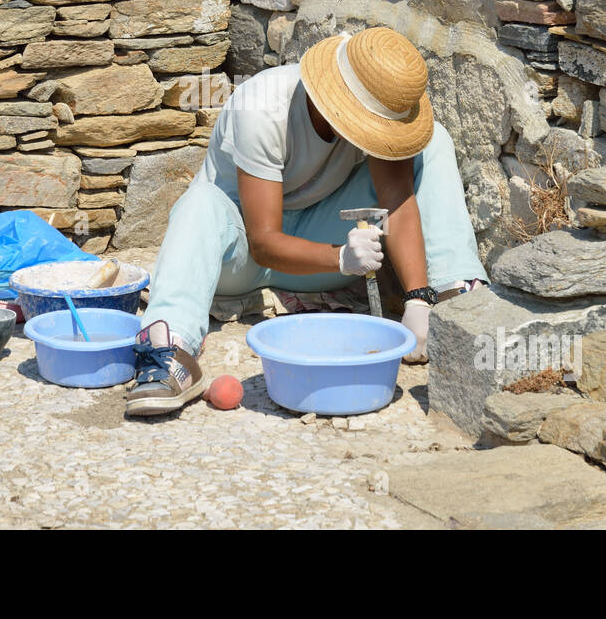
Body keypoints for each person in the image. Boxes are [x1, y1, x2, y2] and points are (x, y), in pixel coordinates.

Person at [124, 26, 487, 417]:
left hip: (317, 252)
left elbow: (396, 200)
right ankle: (170, 350)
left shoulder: (376, 104)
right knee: (199, 204)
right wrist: (341, 259)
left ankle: (459, 308)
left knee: (432, 142)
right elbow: (263, 242)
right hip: (240, 254)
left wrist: (418, 298)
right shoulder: (260, 106)